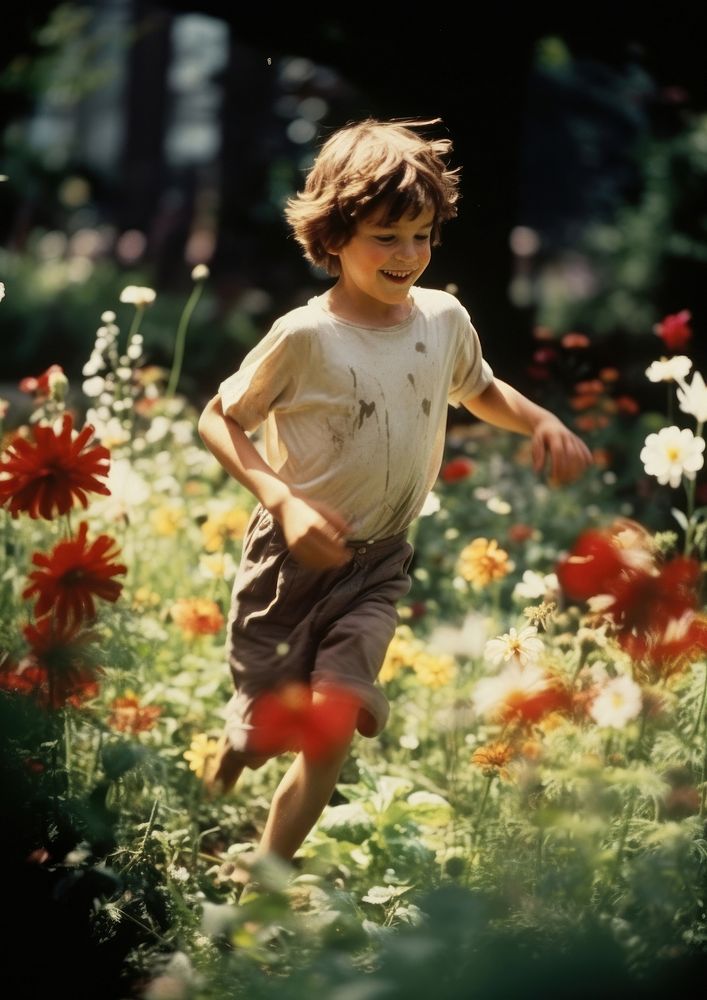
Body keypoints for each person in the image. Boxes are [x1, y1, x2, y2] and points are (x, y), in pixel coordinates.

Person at [197, 117, 592, 872]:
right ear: (334, 234)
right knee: (262, 735)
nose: (407, 254)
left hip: (376, 565)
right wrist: (281, 499)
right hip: (287, 568)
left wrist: (538, 418)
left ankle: (263, 885)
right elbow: (220, 420)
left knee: (330, 728)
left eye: (421, 235)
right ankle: (224, 769)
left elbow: (476, 390)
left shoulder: (441, 320)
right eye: (386, 236)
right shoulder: (304, 337)